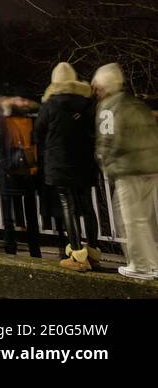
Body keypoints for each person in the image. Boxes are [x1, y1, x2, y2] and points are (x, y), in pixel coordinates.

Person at [92, 63, 158, 280]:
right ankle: (153, 264)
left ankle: (140, 265)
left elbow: (107, 141)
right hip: (151, 167)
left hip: (129, 169)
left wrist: (104, 163)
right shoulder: (134, 103)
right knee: (146, 219)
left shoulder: (108, 107)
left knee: (130, 218)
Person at [35, 62, 100, 271]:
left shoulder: (49, 104)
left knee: (68, 206)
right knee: (87, 206)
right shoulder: (87, 102)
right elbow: (94, 129)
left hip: (60, 163)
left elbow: (39, 132)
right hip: (85, 161)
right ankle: (94, 252)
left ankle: (77, 257)